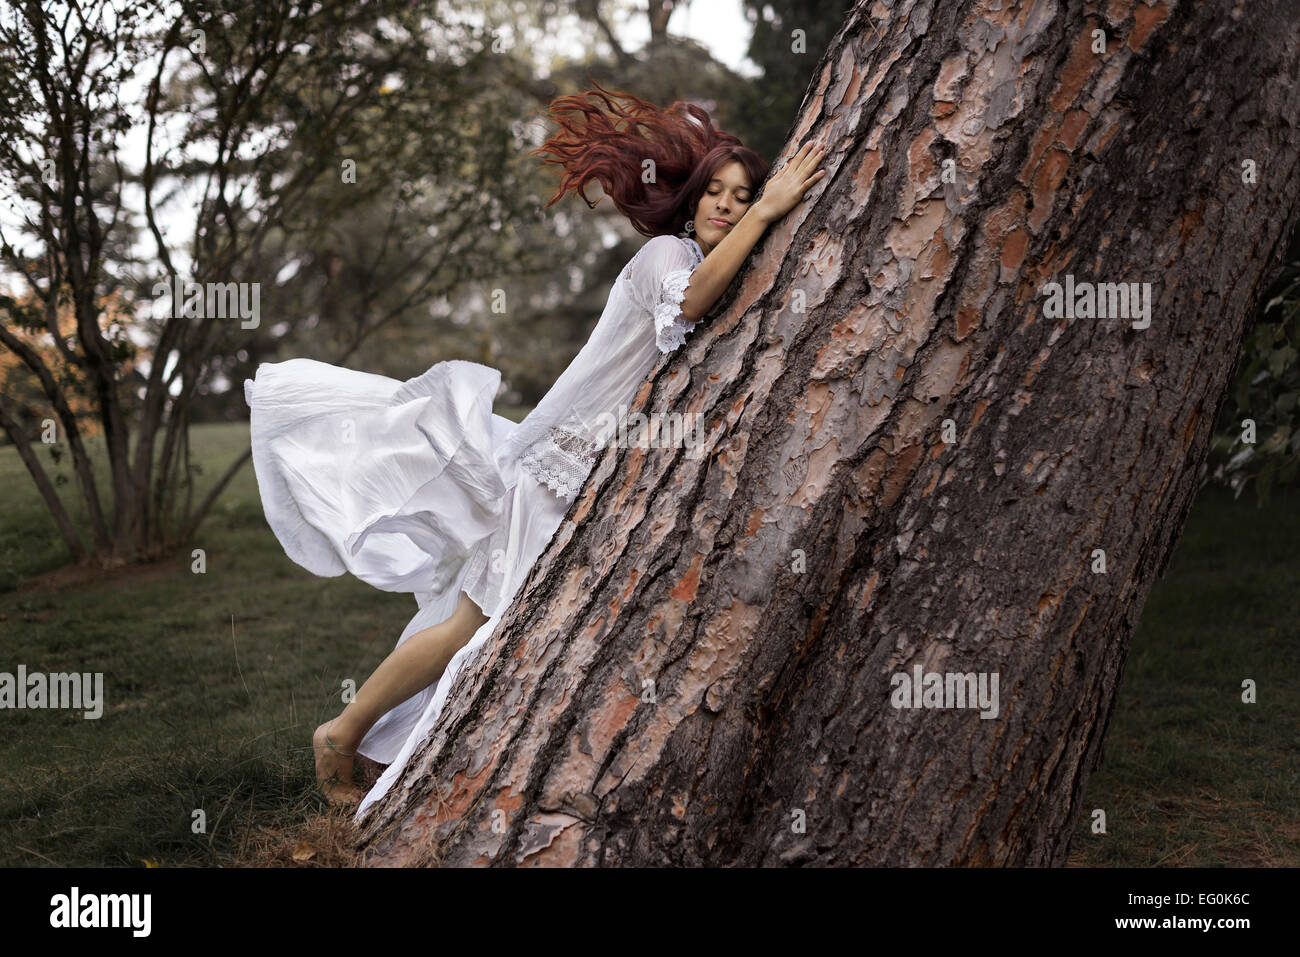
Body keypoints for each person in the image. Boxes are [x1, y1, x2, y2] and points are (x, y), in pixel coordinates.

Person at [242, 81, 827, 817]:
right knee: (478, 620)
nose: (728, 207)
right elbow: (691, 301)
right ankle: (342, 731)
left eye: (744, 198)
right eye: (717, 192)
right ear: (690, 200)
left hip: (585, 476)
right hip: (554, 466)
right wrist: (773, 211)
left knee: (482, 619)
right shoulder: (665, 259)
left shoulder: (712, 263)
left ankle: (360, 732)